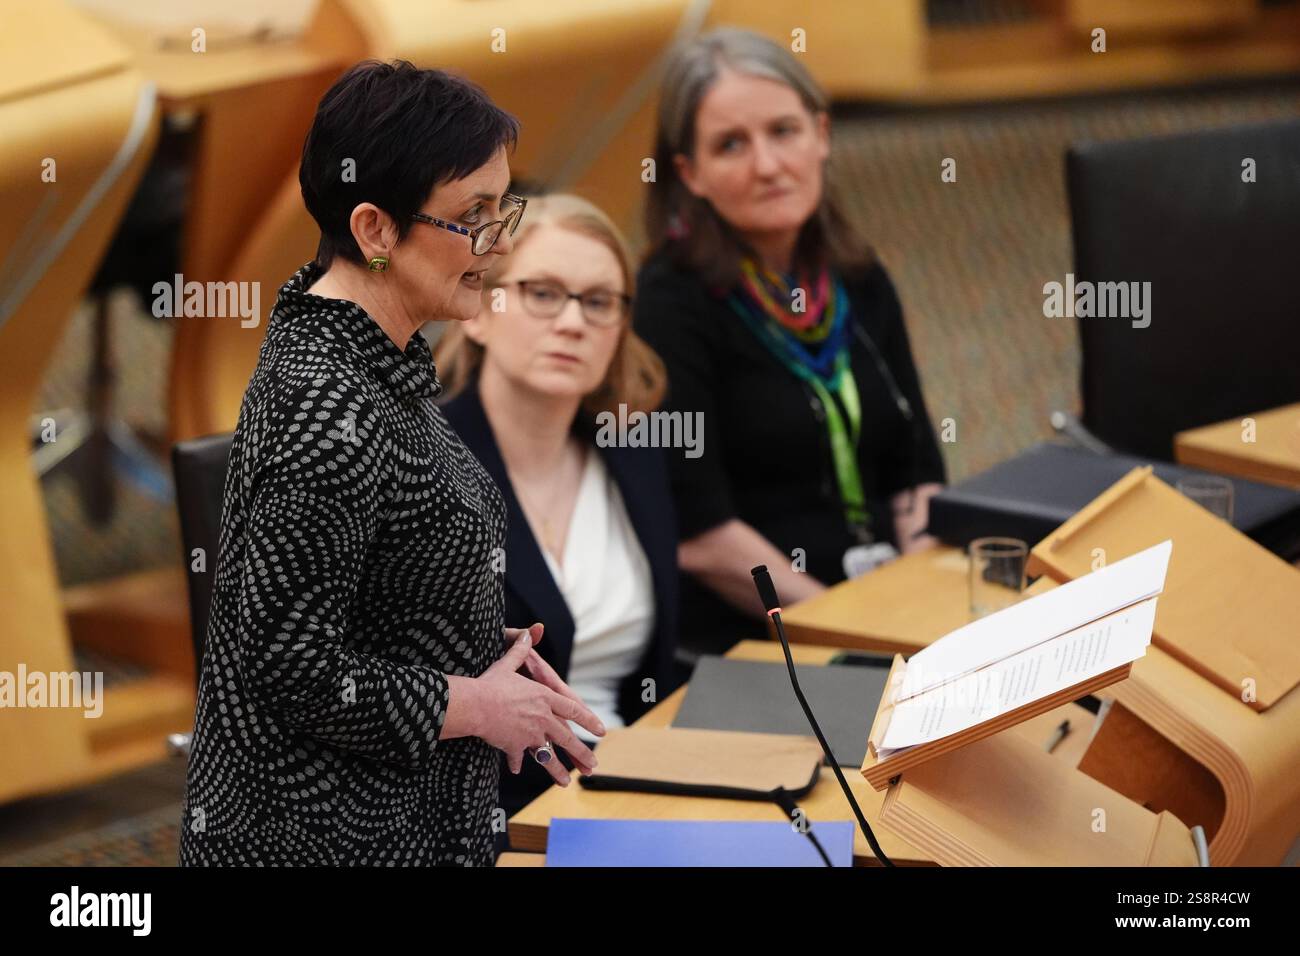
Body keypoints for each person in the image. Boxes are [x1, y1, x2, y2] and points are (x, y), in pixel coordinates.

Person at [181, 60, 604, 867]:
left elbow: (368, 579)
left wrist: (473, 642)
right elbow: (292, 671)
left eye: (502, 205)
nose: (500, 241)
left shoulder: (375, 354)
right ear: (376, 231)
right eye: (473, 216)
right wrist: (476, 704)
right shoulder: (325, 409)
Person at [634, 28, 947, 655]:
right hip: (766, 632)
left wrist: (919, 594)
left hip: (890, 602)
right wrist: (849, 624)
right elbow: (700, 534)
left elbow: (917, 470)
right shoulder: (669, 300)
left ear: (822, 135)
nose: (768, 165)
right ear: (690, 174)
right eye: (732, 145)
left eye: (784, 131)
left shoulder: (856, 272)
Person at [436, 193, 680, 827]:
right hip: (482, 818)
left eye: (598, 302)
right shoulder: (421, 468)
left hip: (636, 781)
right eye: (542, 293)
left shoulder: (634, 453)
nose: (573, 322)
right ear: (479, 311)